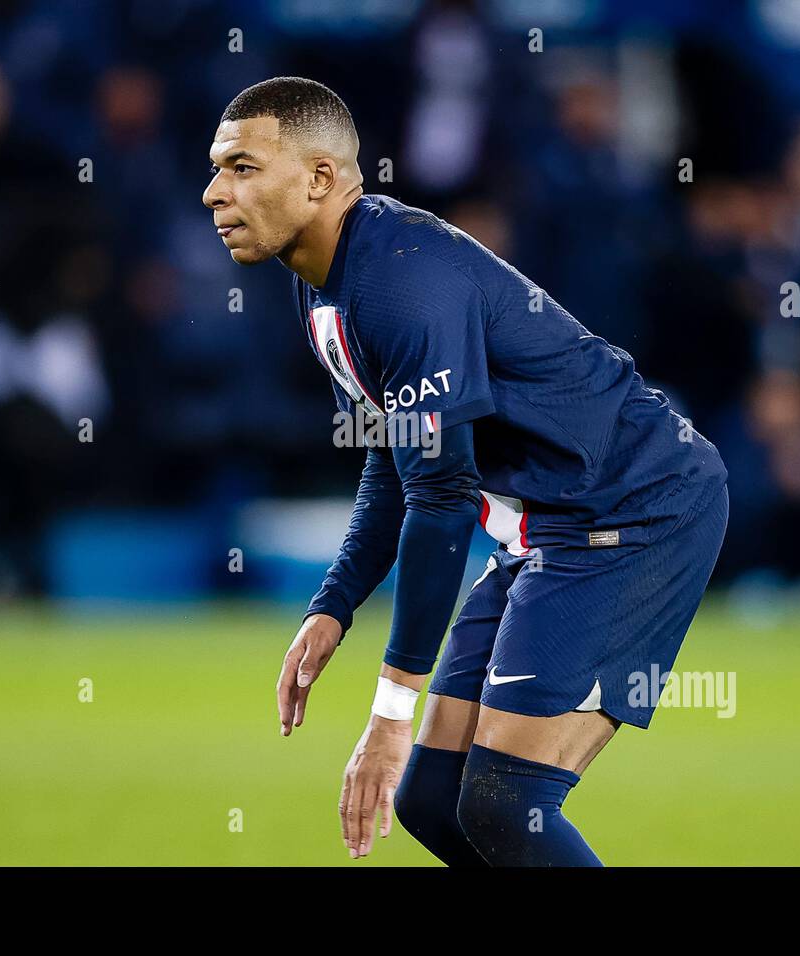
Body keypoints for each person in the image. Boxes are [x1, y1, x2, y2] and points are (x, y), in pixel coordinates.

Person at [203, 77, 728, 866]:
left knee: (507, 803)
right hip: (552, 524)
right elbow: (403, 455)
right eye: (216, 168)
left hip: (636, 511)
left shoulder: (399, 284)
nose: (215, 192)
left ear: (319, 180)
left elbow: (443, 500)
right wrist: (336, 602)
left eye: (243, 167)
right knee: (435, 803)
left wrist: (389, 713)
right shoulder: (325, 284)